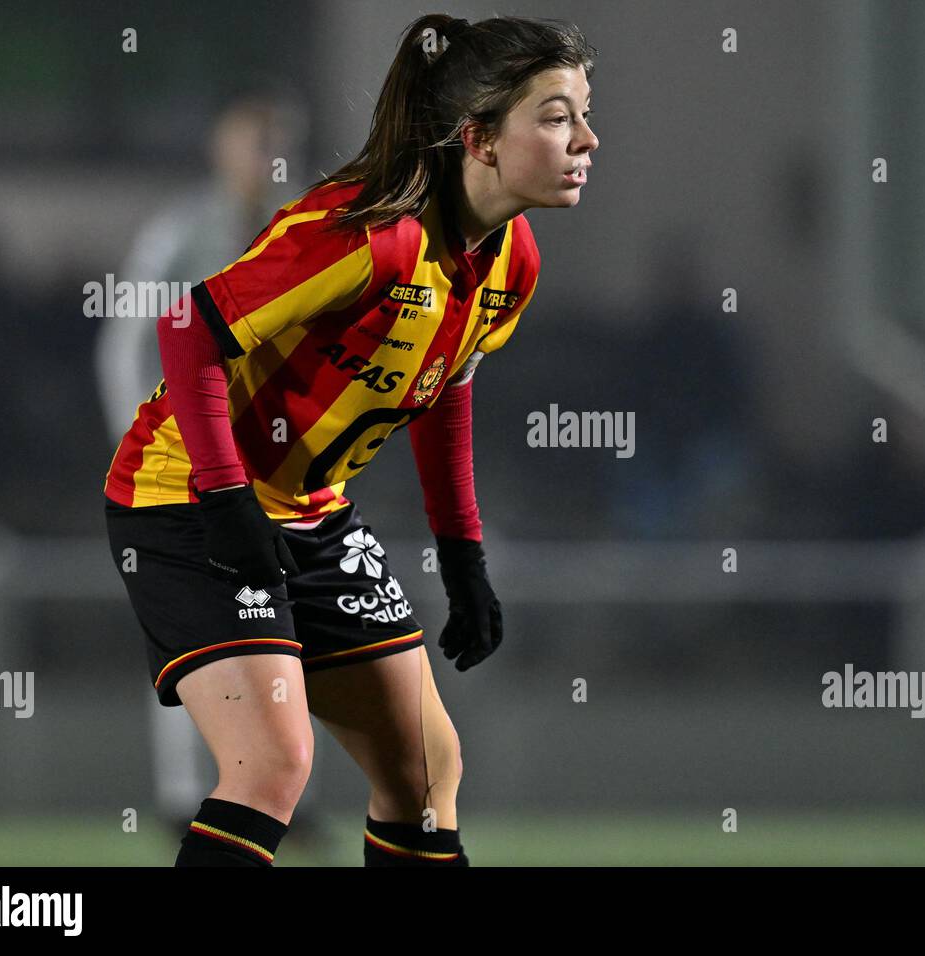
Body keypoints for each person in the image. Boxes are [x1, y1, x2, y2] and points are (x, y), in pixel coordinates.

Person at [102, 13, 598, 866]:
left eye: (585, 113)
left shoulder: (513, 259)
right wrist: (225, 497)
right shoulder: (375, 231)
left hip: (308, 513)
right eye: (555, 117)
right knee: (272, 766)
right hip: (184, 495)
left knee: (425, 770)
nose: (586, 139)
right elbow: (189, 326)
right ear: (478, 138)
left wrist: (463, 554)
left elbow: (445, 394)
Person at [93, 90, 321, 841]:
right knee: (194, 634)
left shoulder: (303, 228)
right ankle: (180, 798)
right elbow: (126, 342)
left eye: (278, 140)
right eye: (255, 140)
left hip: (276, 466)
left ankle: (280, 792)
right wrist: (141, 445)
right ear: (222, 148)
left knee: (287, 629)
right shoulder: (182, 232)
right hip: (183, 469)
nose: (268, 156)